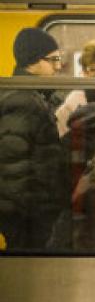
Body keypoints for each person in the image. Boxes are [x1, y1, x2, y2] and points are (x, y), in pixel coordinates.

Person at [0, 28, 68, 250]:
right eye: (53, 60)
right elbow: (13, 165)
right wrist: (39, 214)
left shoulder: (33, 96)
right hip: (27, 218)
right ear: (33, 61)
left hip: (28, 214)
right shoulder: (24, 102)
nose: (58, 66)